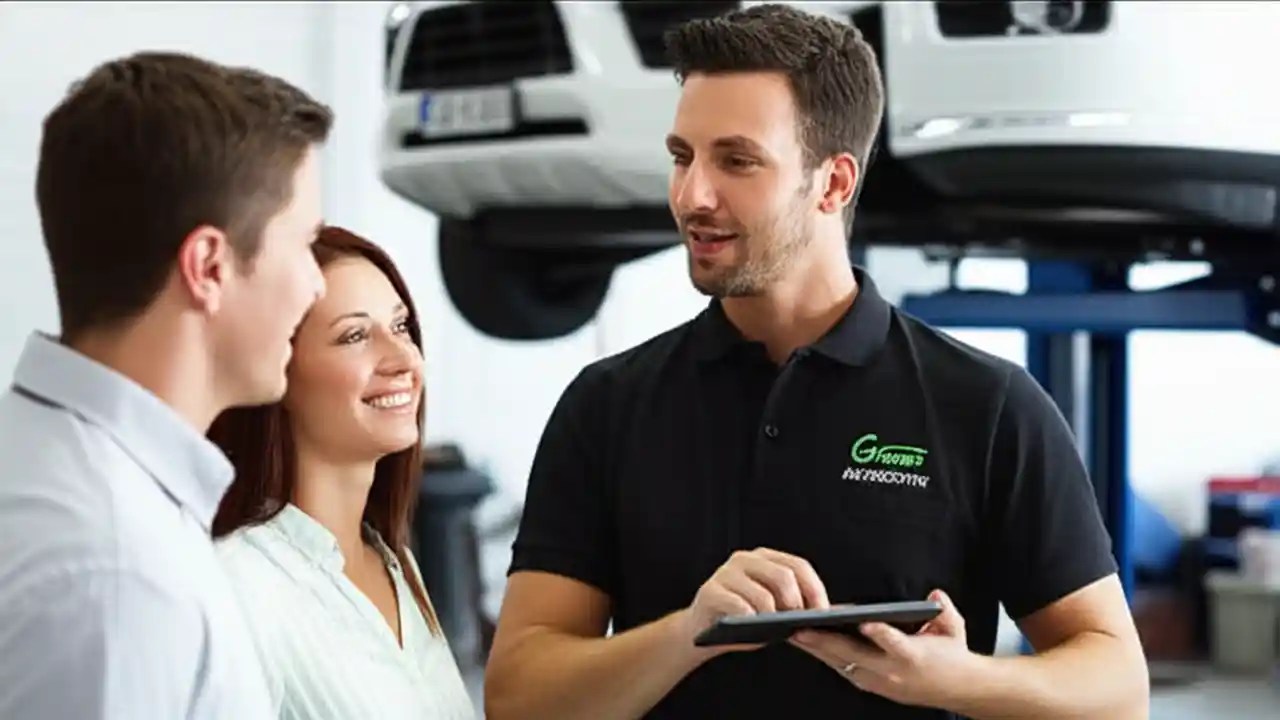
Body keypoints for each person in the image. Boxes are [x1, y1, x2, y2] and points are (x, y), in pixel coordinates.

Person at [484, 5, 1149, 720]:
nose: (691, 196)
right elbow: (519, 698)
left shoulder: (987, 408)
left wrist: (954, 680)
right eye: (683, 156)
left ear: (833, 184)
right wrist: (688, 634)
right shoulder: (607, 406)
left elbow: (1117, 690)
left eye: (736, 161)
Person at [0, 51, 331, 719]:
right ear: (208, 265)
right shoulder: (117, 575)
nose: (316, 283)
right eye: (304, 244)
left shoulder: (49, 469)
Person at [207, 226, 476, 720]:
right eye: (355, 336)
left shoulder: (397, 566)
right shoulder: (239, 588)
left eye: (400, 328)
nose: (403, 360)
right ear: (273, 372)